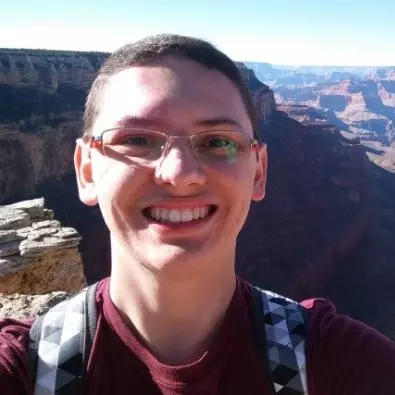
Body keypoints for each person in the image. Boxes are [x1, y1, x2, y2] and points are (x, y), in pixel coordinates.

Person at [1, 34, 395, 395]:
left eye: (217, 141)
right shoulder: (25, 372)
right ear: (86, 170)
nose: (179, 174)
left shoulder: (345, 366)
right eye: (137, 140)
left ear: (259, 171)